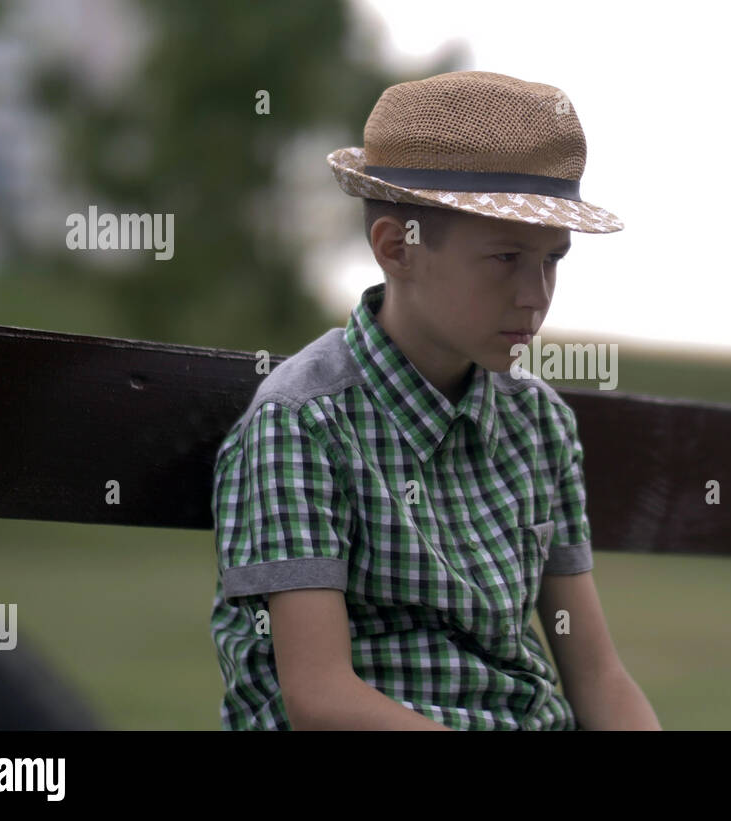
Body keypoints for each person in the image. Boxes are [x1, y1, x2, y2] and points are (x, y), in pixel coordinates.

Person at [210, 70, 661, 730]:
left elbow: (597, 673)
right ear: (398, 248)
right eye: (506, 257)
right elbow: (318, 698)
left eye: (553, 260)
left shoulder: (539, 425)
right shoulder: (302, 425)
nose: (536, 294)